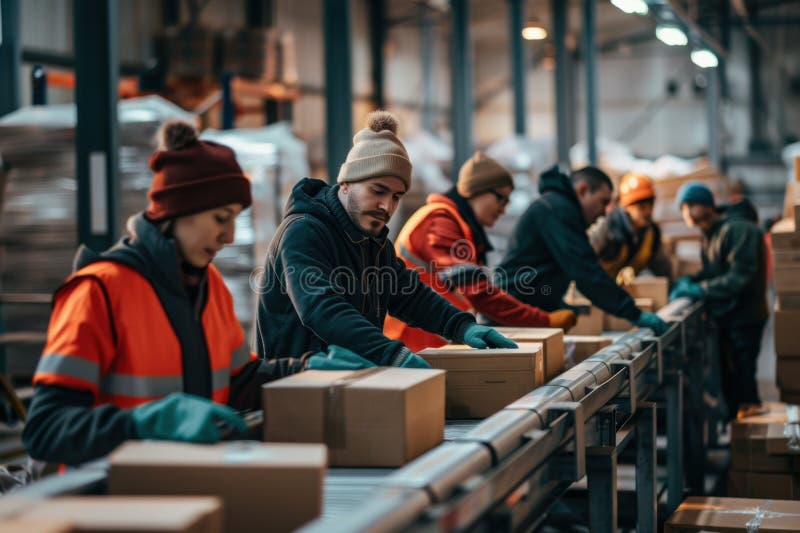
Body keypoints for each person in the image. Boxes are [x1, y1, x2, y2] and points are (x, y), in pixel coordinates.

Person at [23, 121, 371, 466]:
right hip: (112, 500)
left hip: (188, 489)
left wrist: (307, 370)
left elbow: (239, 381)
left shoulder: (212, 288)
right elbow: (46, 430)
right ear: (177, 213)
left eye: (235, 219)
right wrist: (140, 425)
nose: (230, 236)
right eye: (221, 218)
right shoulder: (99, 292)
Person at [255, 111, 517, 367]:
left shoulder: (373, 242)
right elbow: (322, 308)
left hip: (354, 381)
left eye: (396, 196)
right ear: (346, 183)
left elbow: (407, 293)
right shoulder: (304, 232)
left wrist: (460, 326)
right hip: (296, 384)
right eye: (378, 191)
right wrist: (391, 354)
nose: (386, 206)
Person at [384, 152, 576, 351]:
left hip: (432, 340)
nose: (504, 209)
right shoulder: (438, 222)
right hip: (413, 341)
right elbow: (479, 291)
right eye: (502, 199)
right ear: (477, 191)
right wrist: (543, 320)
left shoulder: (459, 227)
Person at [498, 165, 668, 334]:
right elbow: (586, 271)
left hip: (522, 311)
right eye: (602, 202)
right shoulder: (558, 210)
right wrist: (634, 314)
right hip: (510, 314)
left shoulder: (557, 208)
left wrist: (552, 301)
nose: (604, 212)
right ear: (583, 190)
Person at [669, 182, 767, 419]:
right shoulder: (712, 233)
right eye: (683, 207)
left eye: (692, 205)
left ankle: (750, 440)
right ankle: (740, 432)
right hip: (728, 314)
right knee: (728, 378)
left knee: (743, 378)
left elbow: (738, 277)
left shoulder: (738, 229)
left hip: (745, 314)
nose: (687, 213)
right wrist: (690, 281)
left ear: (707, 205)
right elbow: (714, 271)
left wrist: (700, 289)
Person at [588, 172, 671, 282]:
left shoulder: (652, 233)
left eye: (651, 205)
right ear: (626, 207)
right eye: (641, 207)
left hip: (630, 291)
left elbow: (661, 269)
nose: (648, 211)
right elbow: (583, 261)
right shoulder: (606, 227)